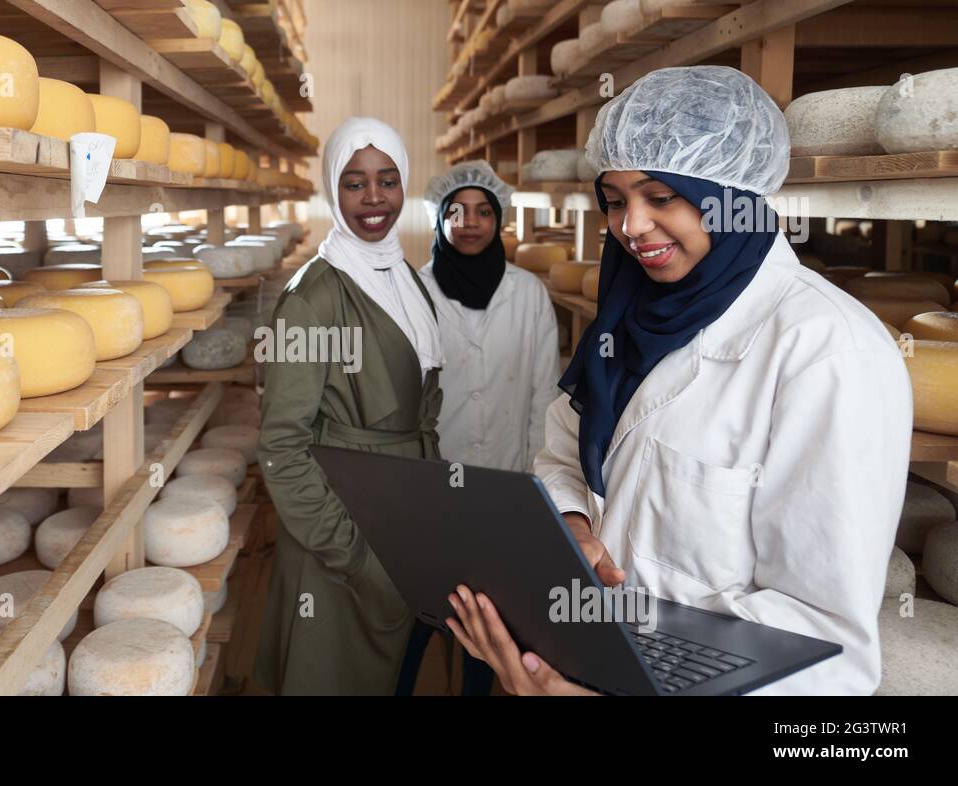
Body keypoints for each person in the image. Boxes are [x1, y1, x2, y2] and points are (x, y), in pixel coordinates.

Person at [446, 66, 913, 696]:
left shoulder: (827, 352)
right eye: (614, 200)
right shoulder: (627, 315)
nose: (630, 227)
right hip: (586, 657)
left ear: (732, 193)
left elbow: (826, 647)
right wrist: (576, 530)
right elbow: (562, 455)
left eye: (660, 196)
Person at [256, 117, 444, 695]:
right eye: (355, 183)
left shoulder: (402, 276)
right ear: (332, 189)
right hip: (339, 537)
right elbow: (282, 447)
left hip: (401, 519)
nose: (374, 199)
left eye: (387, 181)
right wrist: (357, 558)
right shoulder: (313, 297)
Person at [395, 162, 560, 695]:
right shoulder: (412, 291)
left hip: (506, 480)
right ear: (439, 218)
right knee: (422, 612)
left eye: (484, 211)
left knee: (489, 616)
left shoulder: (529, 293)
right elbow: (403, 393)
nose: (470, 222)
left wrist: (533, 483)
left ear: (500, 220)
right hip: (433, 480)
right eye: (457, 211)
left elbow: (544, 392)